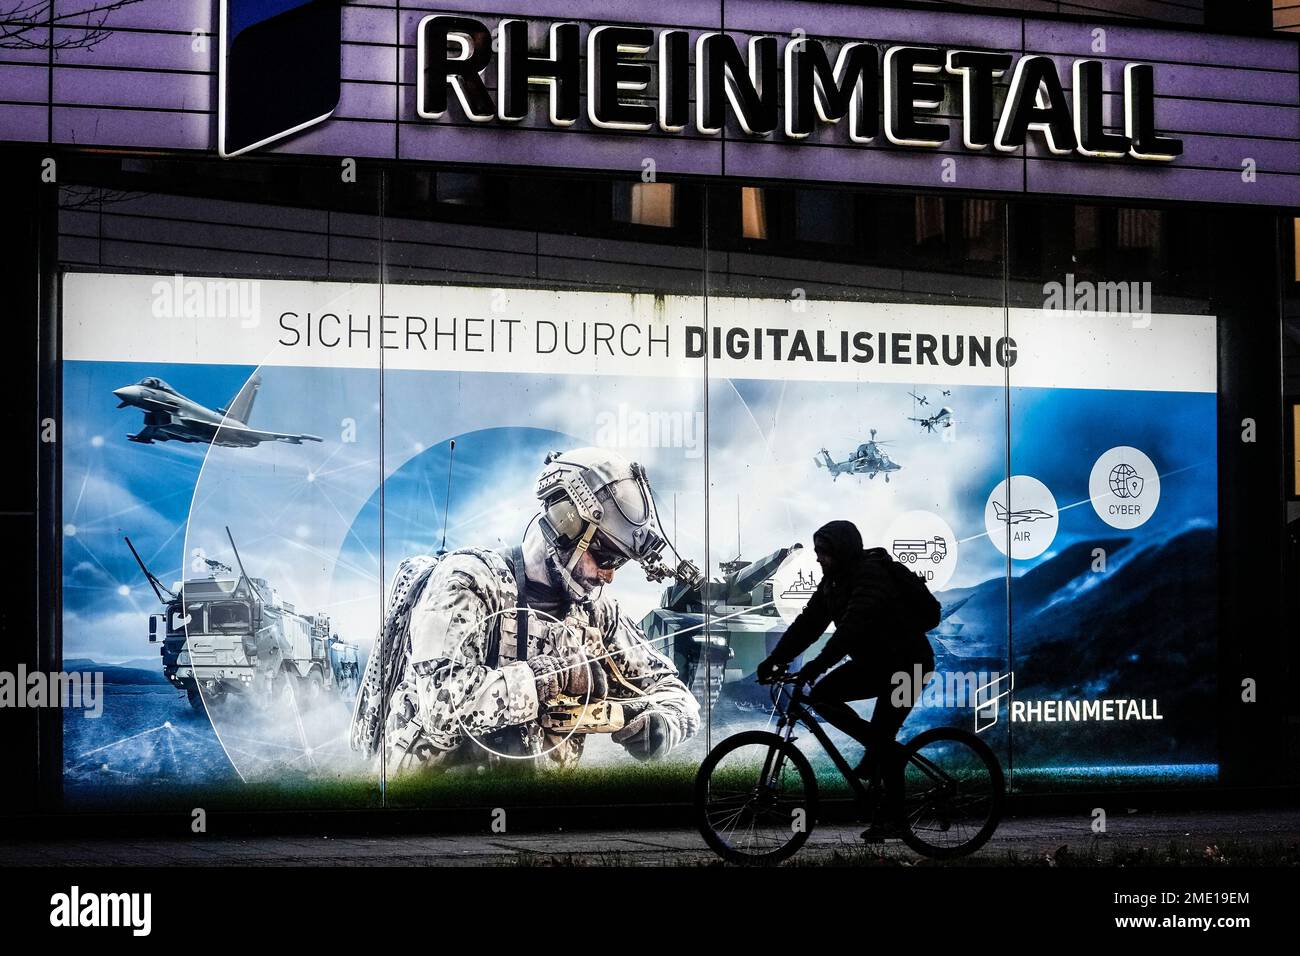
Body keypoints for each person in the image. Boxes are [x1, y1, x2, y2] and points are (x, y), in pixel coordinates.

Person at [350, 447, 701, 773]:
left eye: (619, 564)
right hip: (433, 804)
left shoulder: (595, 612)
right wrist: (550, 678)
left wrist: (664, 723)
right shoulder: (468, 581)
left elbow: (672, 690)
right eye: (606, 557)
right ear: (567, 525)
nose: (608, 575)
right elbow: (441, 707)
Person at [757, 519, 936, 841]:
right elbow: (807, 625)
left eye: (823, 552)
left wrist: (816, 666)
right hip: (876, 664)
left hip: (910, 667)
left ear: (842, 550)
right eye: (817, 552)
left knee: (882, 738)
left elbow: (851, 629)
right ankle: (878, 756)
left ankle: (893, 813)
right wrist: (774, 660)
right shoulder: (833, 583)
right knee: (823, 696)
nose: (818, 558)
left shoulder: (871, 575)